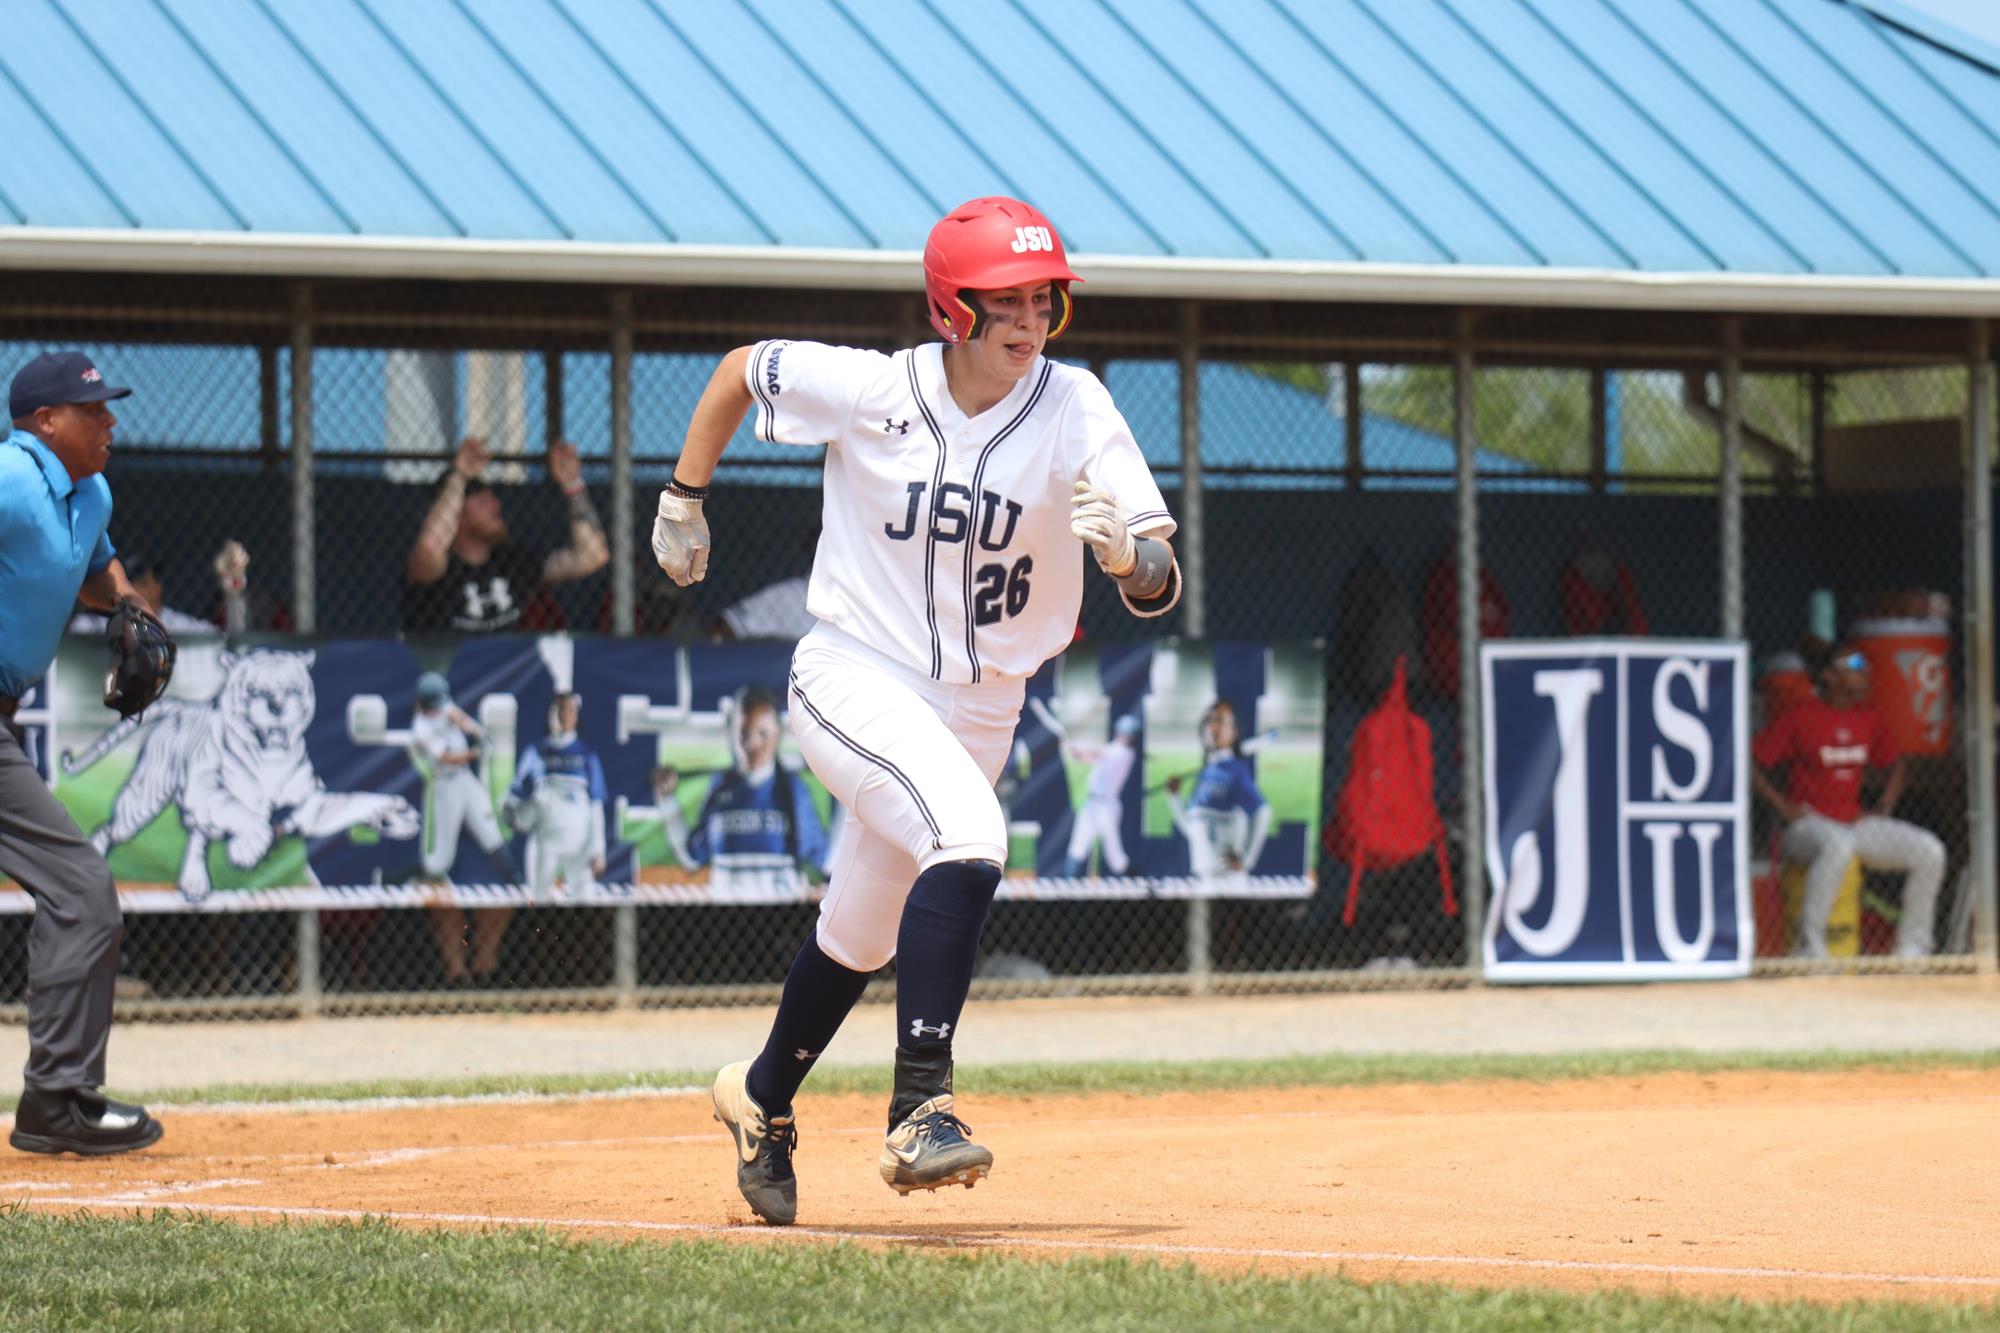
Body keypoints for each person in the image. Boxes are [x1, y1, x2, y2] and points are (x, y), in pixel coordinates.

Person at [650, 196, 1178, 1225]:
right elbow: (735, 370)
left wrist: (1127, 555)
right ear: (950, 309)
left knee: (857, 930)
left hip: (983, 706)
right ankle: (919, 1105)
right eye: (1005, 305)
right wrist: (683, 494)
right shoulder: (871, 388)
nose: (1028, 326)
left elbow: (1157, 577)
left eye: (1043, 303)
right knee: (970, 833)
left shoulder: (1074, 406)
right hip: (853, 673)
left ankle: (758, 1097)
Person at [0, 351, 165, 1155]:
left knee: (79, 891)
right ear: (43, 421)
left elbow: (96, 568)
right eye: (90, 409)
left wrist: (129, 607)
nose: (108, 421)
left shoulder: (88, 490)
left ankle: (58, 1096)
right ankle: (56, 1100)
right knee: (81, 891)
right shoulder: (10, 477)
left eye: (107, 407)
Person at [1752, 643, 1945, 958]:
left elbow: (1896, 763)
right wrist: (1783, 805)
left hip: (1853, 823)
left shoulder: (1868, 717)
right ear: (1829, 676)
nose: (1864, 671)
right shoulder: (1800, 716)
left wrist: (1883, 808)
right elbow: (1751, 761)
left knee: (1930, 851)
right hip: (1807, 827)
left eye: (1865, 664)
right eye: (1854, 665)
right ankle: (1809, 946)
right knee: (1837, 845)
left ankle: (1913, 947)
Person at [402, 436, 609, 634]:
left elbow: (591, 557)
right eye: (483, 501)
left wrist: (572, 484)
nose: (496, 505)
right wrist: (460, 475)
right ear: (456, 514)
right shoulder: (434, 568)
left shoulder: (512, 562)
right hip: (445, 668)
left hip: (504, 667)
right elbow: (430, 546)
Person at [655, 688, 828, 899]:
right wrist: (667, 799)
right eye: (744, 733)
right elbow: (692, 857)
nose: (752, 744)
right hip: (727, 923)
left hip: (783, 921)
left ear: (777, 734)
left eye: (763, 733)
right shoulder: (720, 789)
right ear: (732, 734)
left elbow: (824, 860)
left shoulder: (793, 791)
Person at [409, 671, 523, 985]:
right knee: (440, 862)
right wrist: (475, 752)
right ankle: (410, 873)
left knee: (490, 831)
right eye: (435, 705)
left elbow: (457, 716)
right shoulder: (420, 727)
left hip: (466, 783)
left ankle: (515, 876)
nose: (440, 709)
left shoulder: (443, 707)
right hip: (445, 785)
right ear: (424, 704)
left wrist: (477, 730)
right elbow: (447, 757)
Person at [504, 692, 609, 899]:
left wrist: (598, 849)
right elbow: (515, 792)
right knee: (538, 898)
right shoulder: (536, 752)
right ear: (550, 714)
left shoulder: (586, 755)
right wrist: (512, 814)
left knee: (584, 899)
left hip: (579, 840)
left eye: (570, 710)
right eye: (559, 710)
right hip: (545, 839)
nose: (564, 716)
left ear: (577, 716)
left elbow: (596, 804)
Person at [1165, 700, 1271, 880]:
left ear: (1234, 732)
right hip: (1202, 874)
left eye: (1221, 720)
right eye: (1210, 720)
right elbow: (1192, 827)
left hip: (1227, 879)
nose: (1213, 726)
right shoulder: (1206, 774)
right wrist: (1174, 798)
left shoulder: (1234, 771)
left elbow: (1263, 812)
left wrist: (1246, 859)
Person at [1061, 714, 1142, 877]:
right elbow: (1085, 757)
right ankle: (1067, 888)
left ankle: (1135, 882)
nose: (1125, 737)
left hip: (1107, 806)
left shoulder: (1124, 753)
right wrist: (1074, 750)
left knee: (1115, 855)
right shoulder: (1114, 748)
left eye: (1129, 734)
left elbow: (1093, 754)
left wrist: (1075, 748)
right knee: (1078, 847)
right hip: (1092, 804)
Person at [66, 553, 213, 638]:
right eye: (142, 582)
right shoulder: (96, 625)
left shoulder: (178, 624)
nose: (152, 587)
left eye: (156, 578)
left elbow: (213, 637)